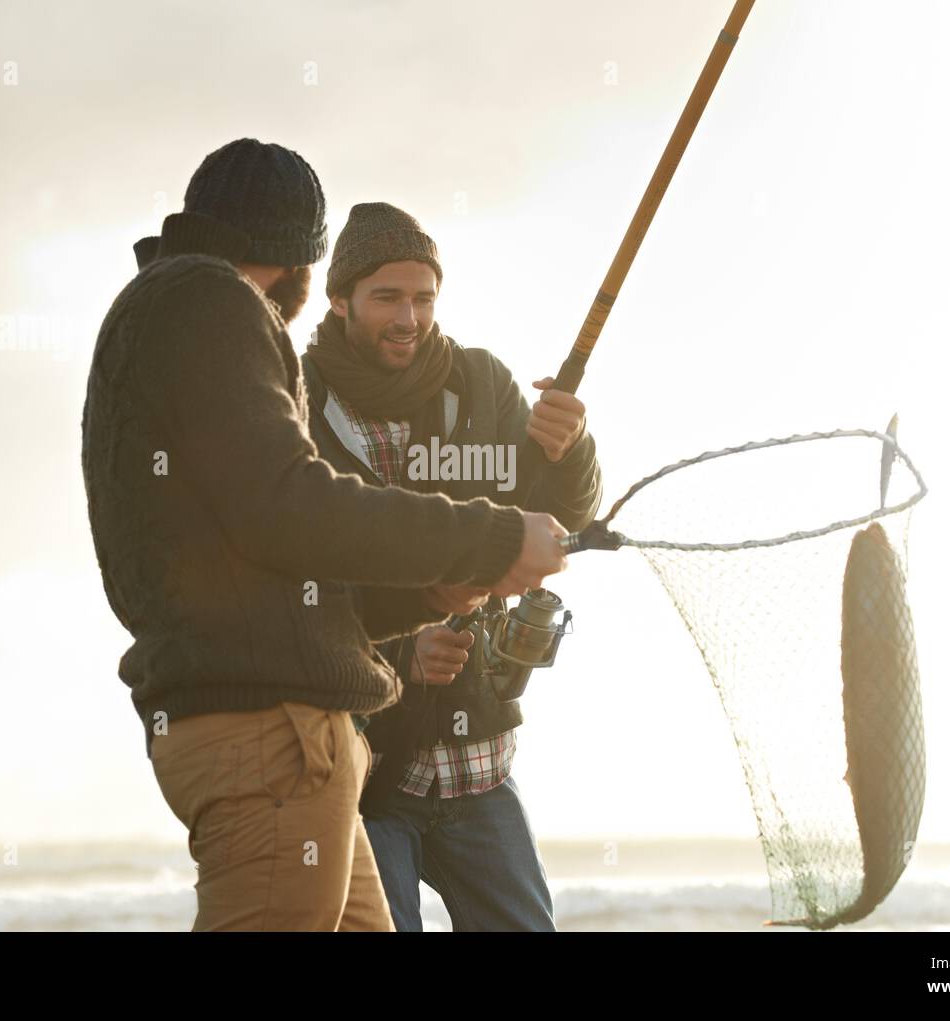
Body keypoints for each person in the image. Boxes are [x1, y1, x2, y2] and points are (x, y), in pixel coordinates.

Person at [84, 140, 568, 931]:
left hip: (280, 736)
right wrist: (492, 537)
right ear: (305, 268)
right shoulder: (214, 303)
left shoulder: (160, 312)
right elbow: (294, 506)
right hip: (272, 739)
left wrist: (428, 590)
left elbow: (265, 562)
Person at [301, 202, 601, 930]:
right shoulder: (300, 400)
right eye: (387, 298)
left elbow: (562, 520)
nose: (409, 317)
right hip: (366, 774)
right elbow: (301, 576)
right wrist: (404, 651)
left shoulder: (482, 383)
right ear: (340, 299)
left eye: (424, 297)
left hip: (480, 762)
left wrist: (571, 447)